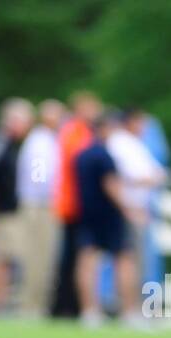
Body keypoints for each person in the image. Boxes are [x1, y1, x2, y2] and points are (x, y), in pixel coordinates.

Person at [74, 110, 142, 327]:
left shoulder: (82, 155)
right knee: (124, 260)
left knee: (87, 260)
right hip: (108, 215)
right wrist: (129, 209)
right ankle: (129, 311)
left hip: (86, 212)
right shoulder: (105, 155)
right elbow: (110, 185)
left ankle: (89, 310)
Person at [105, 108, 166, 298]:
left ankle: (135, 305)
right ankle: (128, 305)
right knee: (129, 260)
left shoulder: (135, 144)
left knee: (139, 260)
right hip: (129, 209)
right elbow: (124, 177)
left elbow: (157, 173)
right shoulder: (120, 143)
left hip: (139, 208)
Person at [52, 91, 102, 318]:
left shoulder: (78, 131)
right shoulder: (75, 131)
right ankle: (67, 305)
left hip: (76, 202)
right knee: (72, 257)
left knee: (74, 256)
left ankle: (70, 304)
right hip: (73, 203)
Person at [15, 99, 64, 317]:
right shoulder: (41, 142)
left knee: (44, 258)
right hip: (39, 206)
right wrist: (50, 199)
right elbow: (39, 177)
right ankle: (31, 305)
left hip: (42, 205)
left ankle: (37, 304)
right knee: (37, 257)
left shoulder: (47, 140)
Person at [0, 98, 35, 311]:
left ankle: (2, 299)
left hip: (12, 209)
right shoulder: (1, 142)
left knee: (9, 257)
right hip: (5, 210)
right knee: (4, 257)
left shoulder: (14, 144)